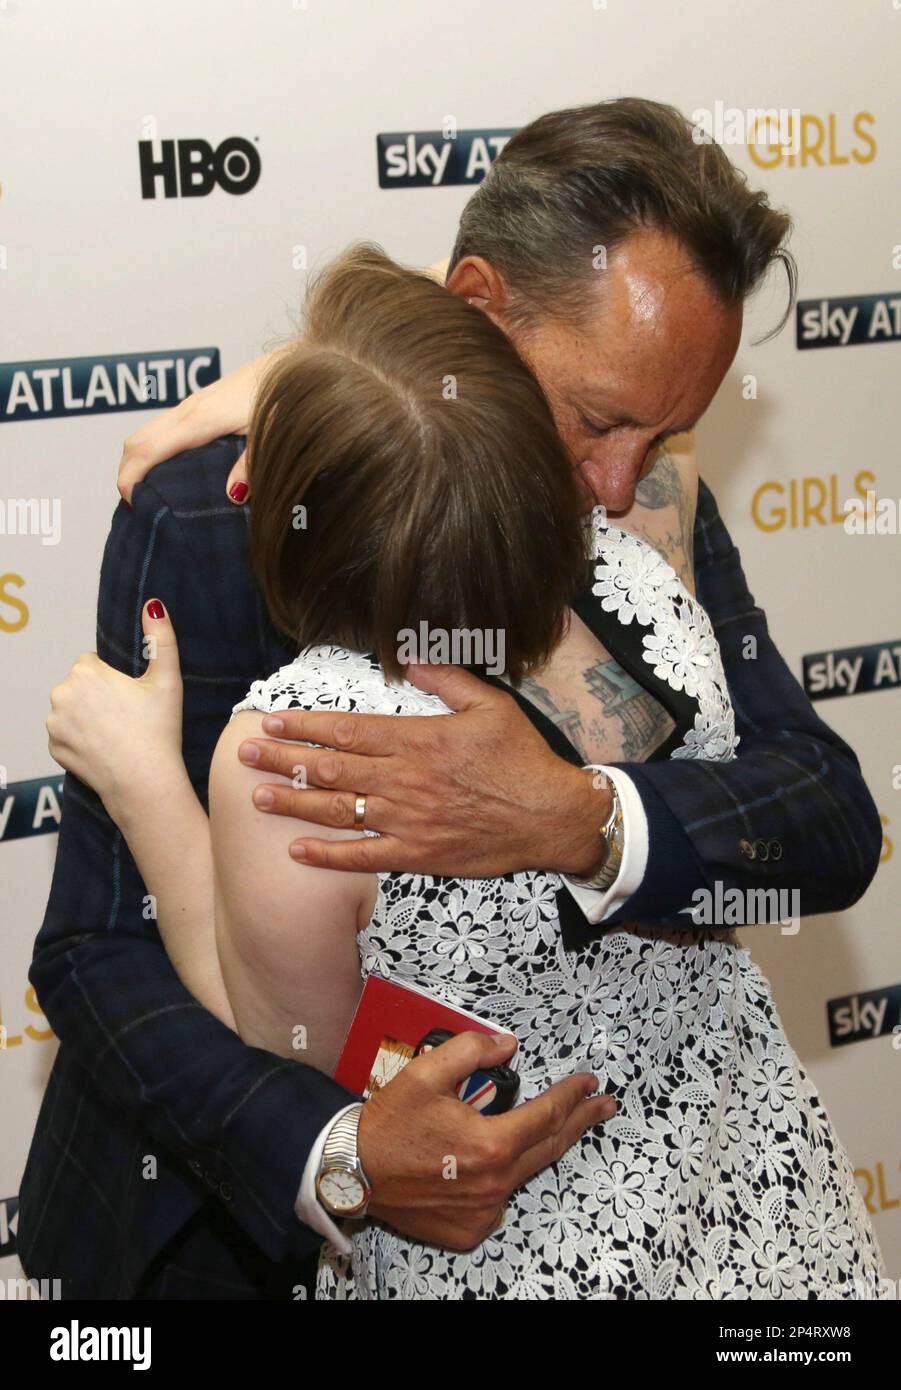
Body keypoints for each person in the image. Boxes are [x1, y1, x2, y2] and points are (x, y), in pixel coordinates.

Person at [19, 98, 882, 1300]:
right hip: (231, 1225)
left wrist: (585, 817)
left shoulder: (635, 502)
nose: (619, 478)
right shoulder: (210, 518)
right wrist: (342, 1153)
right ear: (476, 303)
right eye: (597, 419)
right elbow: (96, 949)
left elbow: (821, 816)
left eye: (667, 431)